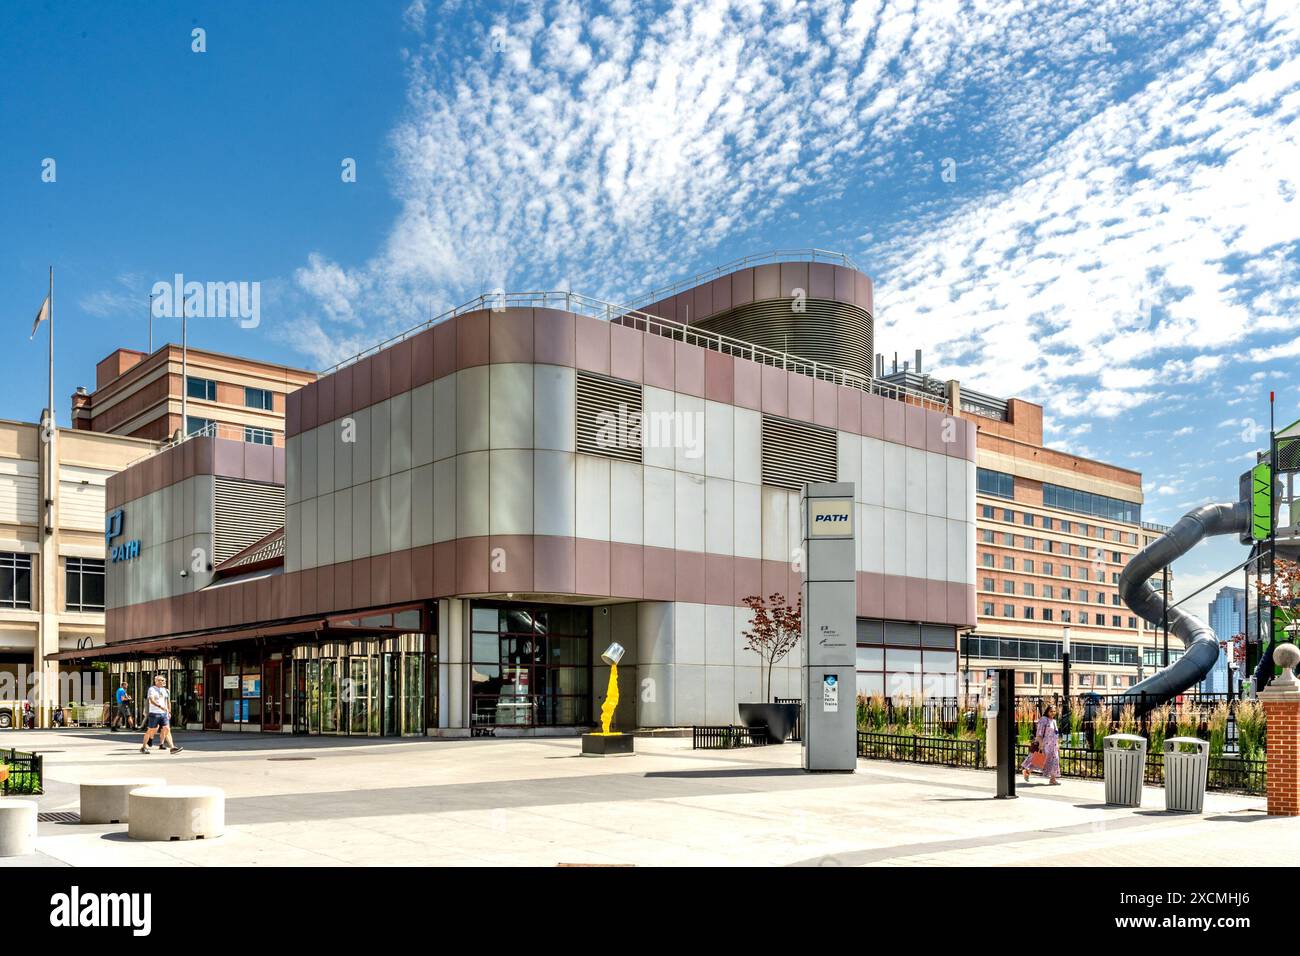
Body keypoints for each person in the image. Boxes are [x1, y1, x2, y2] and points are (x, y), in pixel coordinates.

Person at [140, 674, 183, 755]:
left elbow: (167, 701)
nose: (162, 682)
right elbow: (151, 700)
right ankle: (144, 747)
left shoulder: (165, 690)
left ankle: (172, 748)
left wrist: (169, 711)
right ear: (156, 681)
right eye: (160, 680)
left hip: (164, 714)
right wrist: (160, 706)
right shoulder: (152, 689)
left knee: (167, 729)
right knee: (150, 730)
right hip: (154, 713)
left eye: (163, 680)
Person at [1022, 704, 1061, 785]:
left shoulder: (1054, 721)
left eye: (1054, 711)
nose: (1053, 713)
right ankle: (1027, 771)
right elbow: (1039, 733)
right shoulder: (1043, 719)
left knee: (1055, 761)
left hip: (1053, 746)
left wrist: (1057, 745)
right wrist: (1040, 744)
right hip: (1045, 744)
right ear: (1047, 711)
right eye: (1051, 711)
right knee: (1039, 761)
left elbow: (1055, 734)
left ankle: (1053, 779)